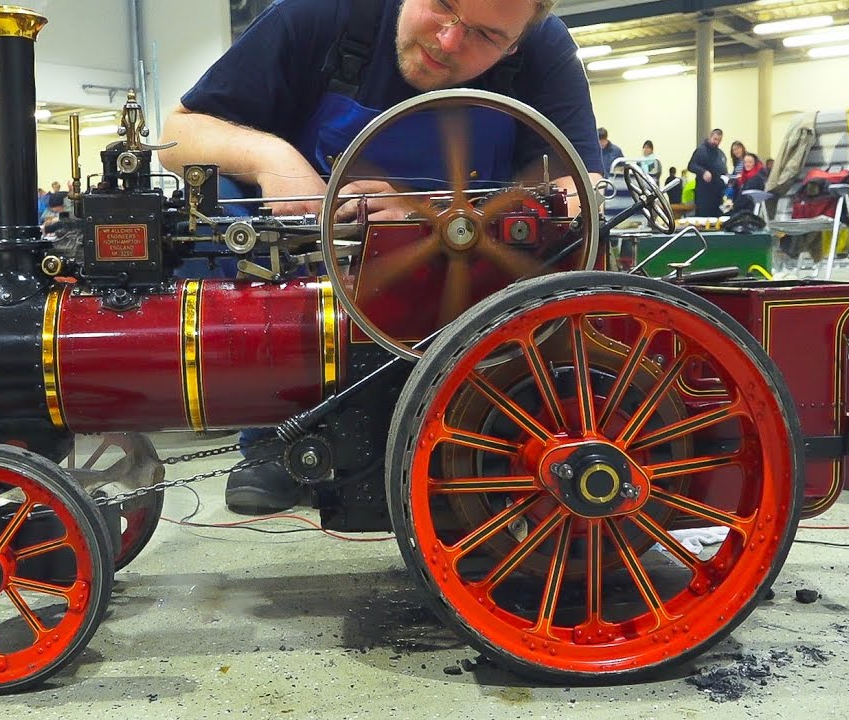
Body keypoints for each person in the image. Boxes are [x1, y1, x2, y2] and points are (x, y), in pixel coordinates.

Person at [159, 0, 604, 515]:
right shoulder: (318, 15)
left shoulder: (544, 46)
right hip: (317, 293)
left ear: (517, 43)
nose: (448, 41)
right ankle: (271, 437)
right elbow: (178, 132)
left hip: (464, 312)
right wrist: (274, 160)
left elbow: (579, 187)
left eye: (484, 35)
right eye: (442, 6)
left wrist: (434, 215)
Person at [688, 129, 727, 217]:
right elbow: (691, 165)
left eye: (719, 140)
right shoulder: (701, 151)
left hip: (717, 194)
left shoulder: (720, 154)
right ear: (710, 137)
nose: (716, 142)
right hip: (704, 194)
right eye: (715, 139)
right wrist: (703, 172)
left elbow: (723, 170)